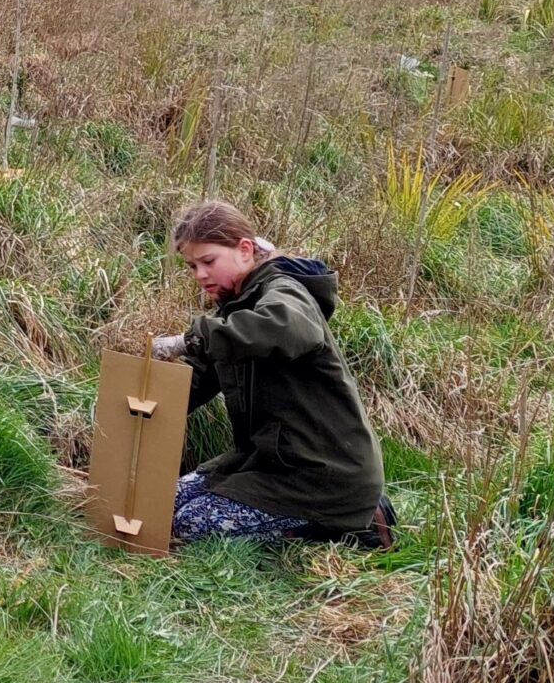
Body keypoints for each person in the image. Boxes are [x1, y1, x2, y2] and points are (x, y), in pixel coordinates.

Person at [152, 200, 392, 548]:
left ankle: (354, 526)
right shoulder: (236, 305)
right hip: (266, 464)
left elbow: (290, 327)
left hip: (321, 477)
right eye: (191, 266)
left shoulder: (284, 290)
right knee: (160, 503)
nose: (200, 275)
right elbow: (197, 379)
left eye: (208, 262)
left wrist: (191, 339)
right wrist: (139, 403)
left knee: (189, 525)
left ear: (245, 249)